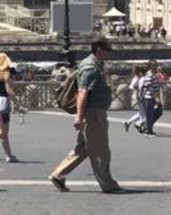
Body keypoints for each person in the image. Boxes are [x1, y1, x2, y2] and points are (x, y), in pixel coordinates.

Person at [49, 37, 121, 194]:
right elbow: (83, 92)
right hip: (93, 114)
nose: (111, 53)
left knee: (83, 148)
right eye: (108, 50)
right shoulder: (91, 68)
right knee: (101, 151)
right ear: (99, 50)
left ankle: (58, 175)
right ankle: (108, 184)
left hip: (93, 112)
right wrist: (79, 117)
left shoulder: (93, 65)